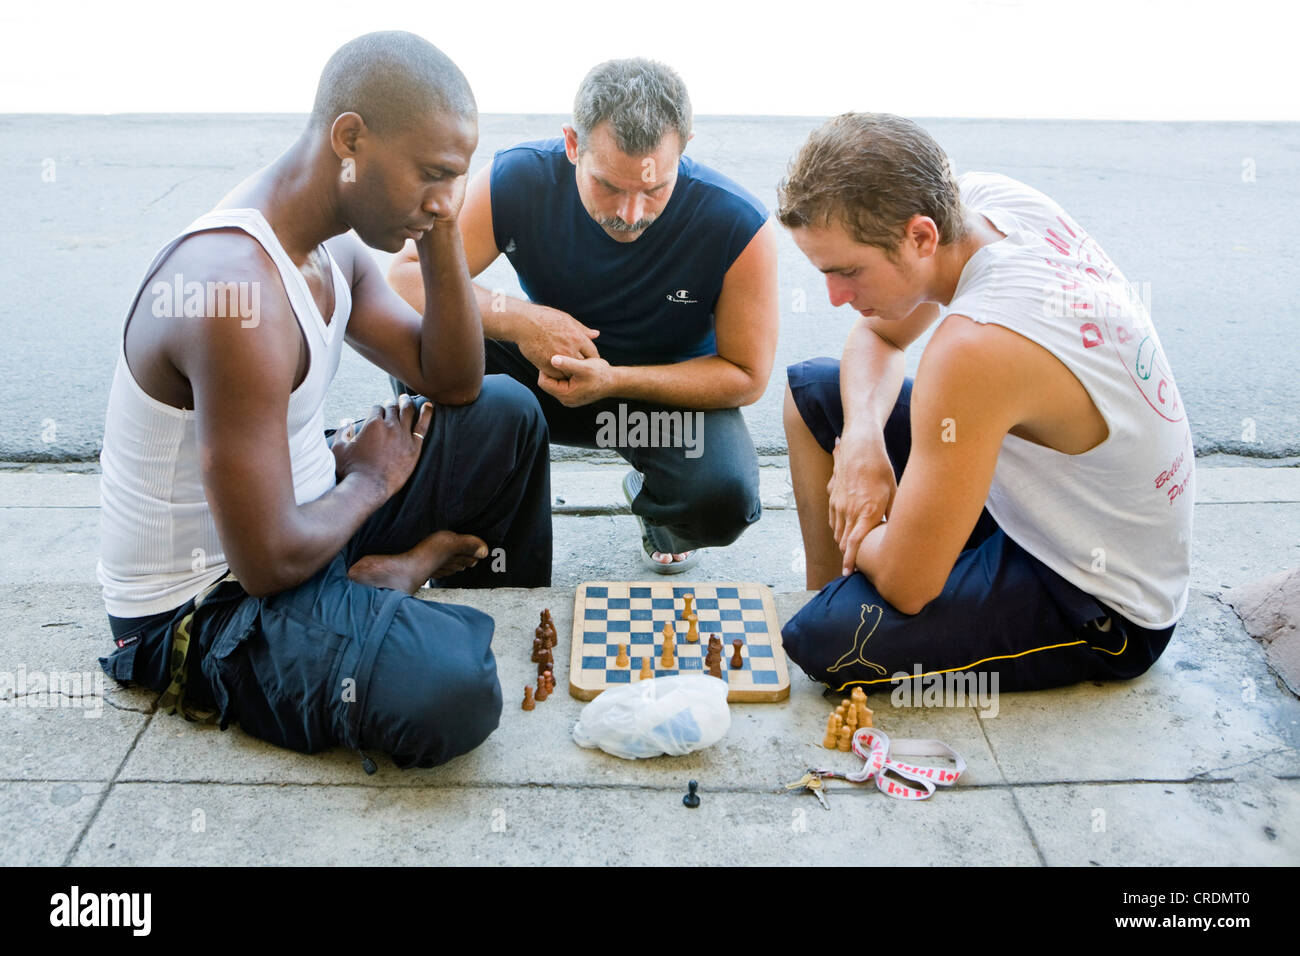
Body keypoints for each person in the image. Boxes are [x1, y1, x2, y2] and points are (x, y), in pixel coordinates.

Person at [95, 32, 552, 772]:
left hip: (301, 523)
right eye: (431, 174)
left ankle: (401, 599)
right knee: (453, 689)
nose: (446, 200)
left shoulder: (331, 245)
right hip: (205, 606)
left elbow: (452, 379)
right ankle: (397, 586)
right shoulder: (233, 291)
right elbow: (268, 563)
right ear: (350, 139)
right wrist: (370, 480)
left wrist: (437, 232)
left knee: (505, 413)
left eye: (457, 179)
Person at [776, 113, 1193, 694]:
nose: (835, 296)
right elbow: (880, 337)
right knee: (812, 394)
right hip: (1030, 496)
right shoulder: (981, 203)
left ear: (920, 236)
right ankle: (834, 591)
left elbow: (906, 581)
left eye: (848, 271)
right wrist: (862, 448)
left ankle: (841, 606)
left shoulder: (974, 345)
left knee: (825, 641)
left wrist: (864, 519)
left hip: (1098, 596)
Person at [388, 58, 779, 573]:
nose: (631, 213)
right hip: (545, 373)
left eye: (655, 189)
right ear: (573, 145)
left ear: (683, 149)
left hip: (660, 396)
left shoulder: (738, 224)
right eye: (609, 186)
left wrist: (613, 379)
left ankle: (657, 506)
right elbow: (406, 276)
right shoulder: (519, 176)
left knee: (723, 499)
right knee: (417, 340)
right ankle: (471, 525)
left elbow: (747, 377)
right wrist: (523, 321)